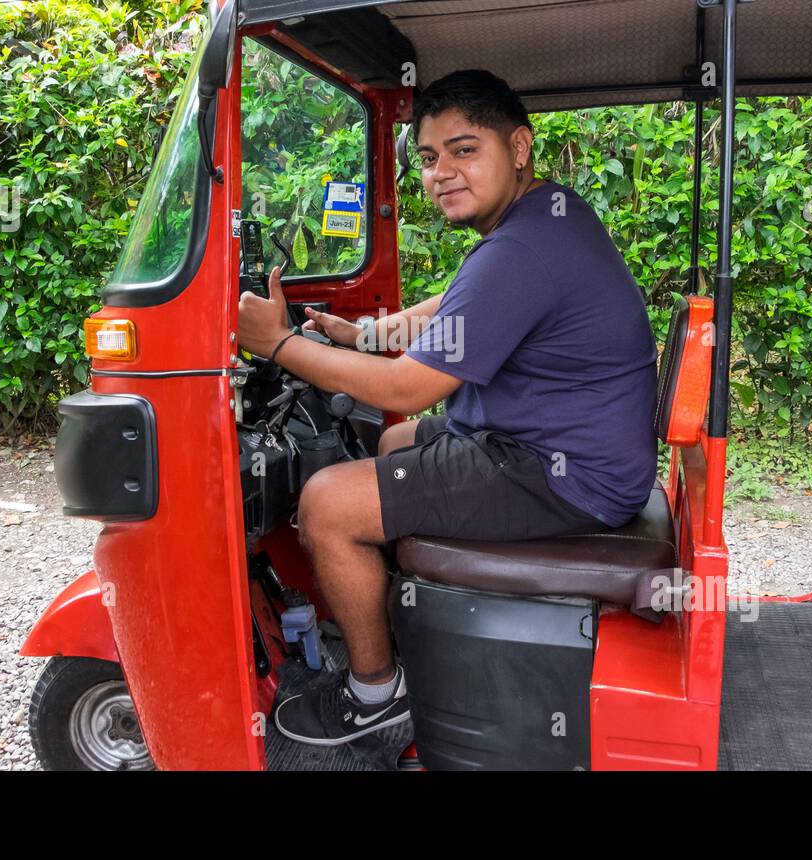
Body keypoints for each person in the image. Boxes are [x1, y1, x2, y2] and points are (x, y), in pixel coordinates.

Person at [236, 69, 657, 746]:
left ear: (517, 148)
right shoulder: (543, 218)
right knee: (393, 446)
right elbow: (452, 311)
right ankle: (411, 634)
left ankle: (376, 696)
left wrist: (278, 343)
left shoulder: (524, 246)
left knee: (324, 503)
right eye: (429, 159)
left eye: (464, 150)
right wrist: (359, 335)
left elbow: (406, 388)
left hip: (563, 475)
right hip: (555, 447)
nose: (441, 173)